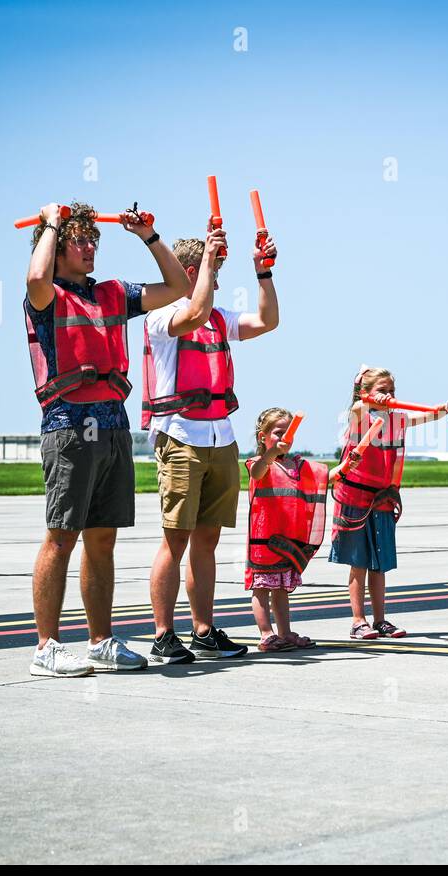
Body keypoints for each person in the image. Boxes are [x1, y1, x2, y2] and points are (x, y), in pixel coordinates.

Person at [24, 201, 191, 677]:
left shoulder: (114, 293)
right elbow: (35, 279)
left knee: (102, 539)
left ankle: (100, 641)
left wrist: (150, 238)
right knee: (62, 537)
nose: (90, 246)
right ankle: (46, 646)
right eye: (79, 240)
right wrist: (52, 223)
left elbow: (179, 287)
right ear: (55, 248)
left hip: (113, 425)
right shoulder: (47, 295)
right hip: (68, 426)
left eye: (93, 239)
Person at [143, 218, 280, 662]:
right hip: (181, 434)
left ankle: (202, 629)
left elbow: (267, 321)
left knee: (207, 540)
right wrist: (206, 262)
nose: (217, 280)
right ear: (187, 272)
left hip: (221, 436)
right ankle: (164, 634)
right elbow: (194, 312)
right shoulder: (163, 316)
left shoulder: (218, 318)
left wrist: (264, 271)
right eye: (210, 271)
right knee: (175, 538)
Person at [331, 367, 448, 639]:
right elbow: (357, 408)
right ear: (366, 392)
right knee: (359, 563)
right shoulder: (359, 418)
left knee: (379, 564)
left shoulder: (397, 420)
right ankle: (358, 620)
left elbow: (428, 415)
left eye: (392, 390)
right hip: (356, 501)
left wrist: (446, 408)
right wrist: (367, 399)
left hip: (382, 501)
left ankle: (380, 620)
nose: (389, 396)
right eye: (383, 390)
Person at [244, 408, 347, 651]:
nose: (285, 439)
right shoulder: (258, 462)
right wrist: (272, 453)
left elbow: (325, 478)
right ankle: (266, 634)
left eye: (289, 433)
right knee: (262, 587)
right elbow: (258, 472)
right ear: (263, 436)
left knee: (281, 588)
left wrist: (346, 467)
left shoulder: (298, 465)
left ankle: (285, 632)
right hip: (264, 539)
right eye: (279, 433)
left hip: (288, 538)